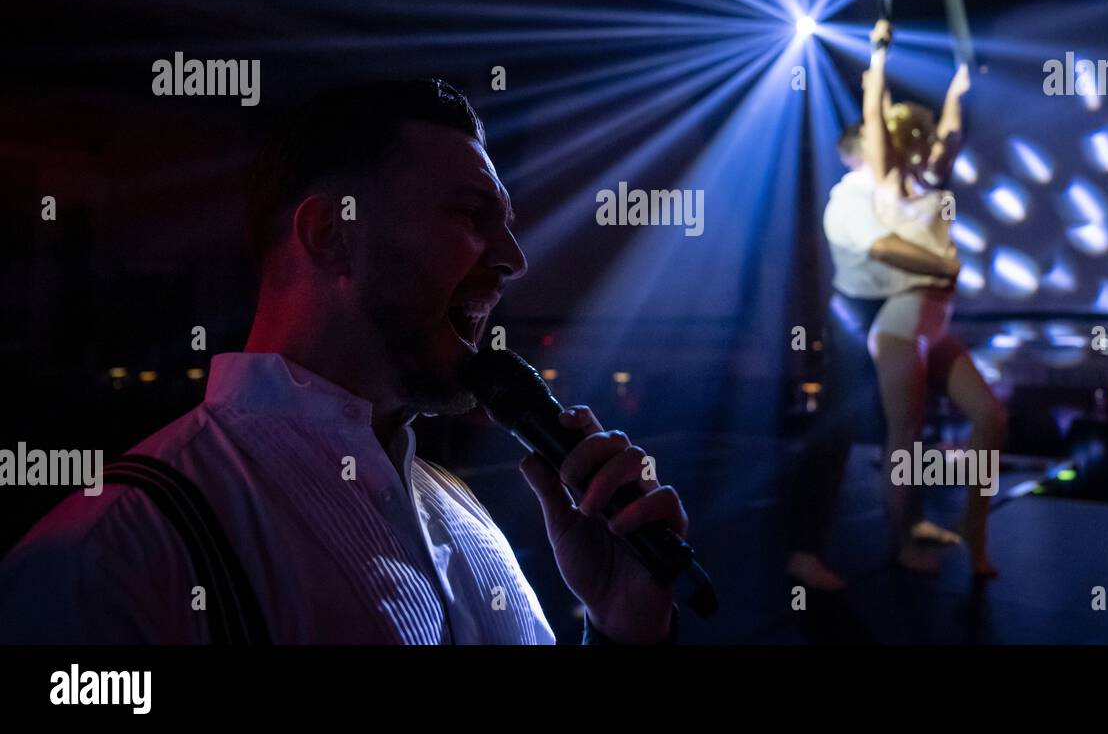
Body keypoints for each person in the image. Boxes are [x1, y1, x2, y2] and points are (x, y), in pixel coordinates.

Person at [0, 79, 686, 644]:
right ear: (332, 235)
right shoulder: (107, 555)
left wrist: (621, 629)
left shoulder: (472, 524)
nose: (512, 261)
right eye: (472, 215)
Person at [787, 20, 972, 591]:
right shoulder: (849, 201)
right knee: (840, 430)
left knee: (908, 426)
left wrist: (956, 90)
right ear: (856, 157)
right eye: (880, 144)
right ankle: (804, 550)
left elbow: (930, 132)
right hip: (857, 315)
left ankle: (910, 524)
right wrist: (943, 267)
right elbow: (887, 248)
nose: (895, 145)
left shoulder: (904, 182)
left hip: (902, 309)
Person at [858, 19, 1007, 577]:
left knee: (990, 417)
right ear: (903, 138)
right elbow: (873, 112)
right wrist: (878, 53)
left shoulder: (932, 179)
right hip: (901, 327)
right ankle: (901, 544)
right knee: (905, 440)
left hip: (934, 327)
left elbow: (952, 129)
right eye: (918, 133)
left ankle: (975, 524)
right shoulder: (890, 181)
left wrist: (956, 89)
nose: (930, 139)